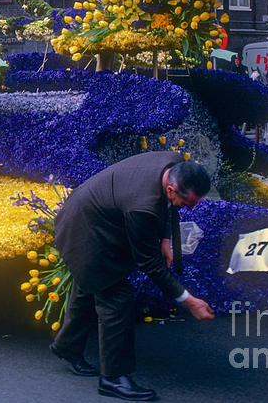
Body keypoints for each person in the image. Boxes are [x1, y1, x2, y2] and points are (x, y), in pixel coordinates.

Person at [50, 151, 215, 400]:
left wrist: (166, 239)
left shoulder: (174, 164)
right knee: (116, 298)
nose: (191, 208)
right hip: (84, 232)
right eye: (188, 203)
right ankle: (113, 379)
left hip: (92, 214)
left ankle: (67, 346)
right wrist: (187, 300)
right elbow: (149, 263)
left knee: (89, 283)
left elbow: (167, 207)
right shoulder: (144, 206)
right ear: (171, 189)